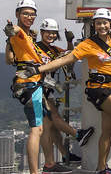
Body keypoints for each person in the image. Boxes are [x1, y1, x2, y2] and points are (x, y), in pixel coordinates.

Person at [28, 8, 111, 174]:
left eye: (104, 23)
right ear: (94, 25)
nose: (102, 26)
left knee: (108, 128)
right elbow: (66, 59)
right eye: (98, 23)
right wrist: (39, 69)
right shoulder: (88, 44)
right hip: (98, 89)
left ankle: (101, 167)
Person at [4, 0, 71, 174]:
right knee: (37, 129)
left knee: (44, 126)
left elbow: (9, 59)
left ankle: (49, 164)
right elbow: (13, 32)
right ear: (17, 14)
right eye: (25, 13)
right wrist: (10, 30)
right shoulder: (20, 32)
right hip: (29, 84)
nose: (29, 17)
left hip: (34, 84)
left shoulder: (29, 37)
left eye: (32, 14)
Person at [35, 18, 94, 164]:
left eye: (54, 33)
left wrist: (70, 41)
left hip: (47, 88)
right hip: (36, 87)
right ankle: (78, 135)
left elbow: (69, 58)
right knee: (53, 116)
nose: (51, 35)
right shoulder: (35, 48)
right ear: (41, 32)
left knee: (53, 126)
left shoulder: (55, 50)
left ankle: (65, 154)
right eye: (48, 32)